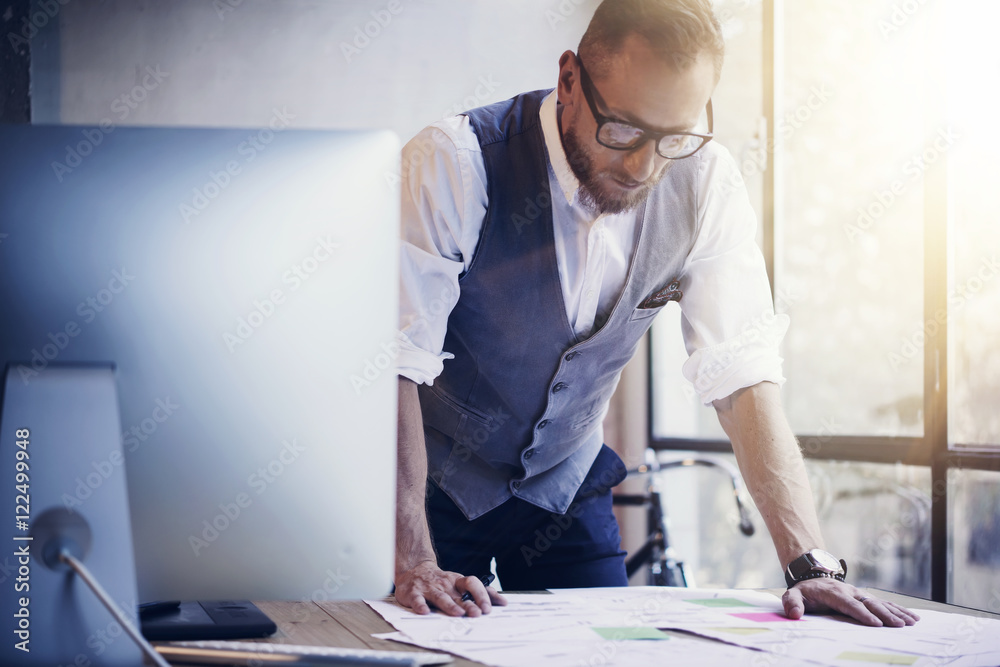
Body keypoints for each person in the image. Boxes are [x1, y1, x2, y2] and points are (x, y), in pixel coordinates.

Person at [393, 0, 919, 628]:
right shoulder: (455, 160)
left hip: (565, 483)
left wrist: (811, 564)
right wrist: (412, 557)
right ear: (569, 79)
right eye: (623, 130)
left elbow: (742, 374)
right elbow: (394, 362)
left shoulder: (706, 181)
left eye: (676, 136)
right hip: (434, 489)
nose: (645, 167)